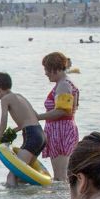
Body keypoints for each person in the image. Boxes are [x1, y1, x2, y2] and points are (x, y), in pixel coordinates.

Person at [0, 72, 44, 185]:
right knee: (22, 177)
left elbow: (3, 125)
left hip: (31, 135)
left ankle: (12, 197)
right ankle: (26, 196)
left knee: (12, 176)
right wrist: (12, 132)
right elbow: (34, 117)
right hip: (41, 135)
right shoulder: (20, 96)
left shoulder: (5, 99)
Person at [34, 51, 79, 183]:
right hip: (62, 129)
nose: (45, 73)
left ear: (56, 69)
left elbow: (63, 111)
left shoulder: (63, 85)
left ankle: (61, 196)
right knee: (61, 176)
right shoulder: (65, 83)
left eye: (47, 69)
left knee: (61, 177)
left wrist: (37, 117)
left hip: (61, 131)